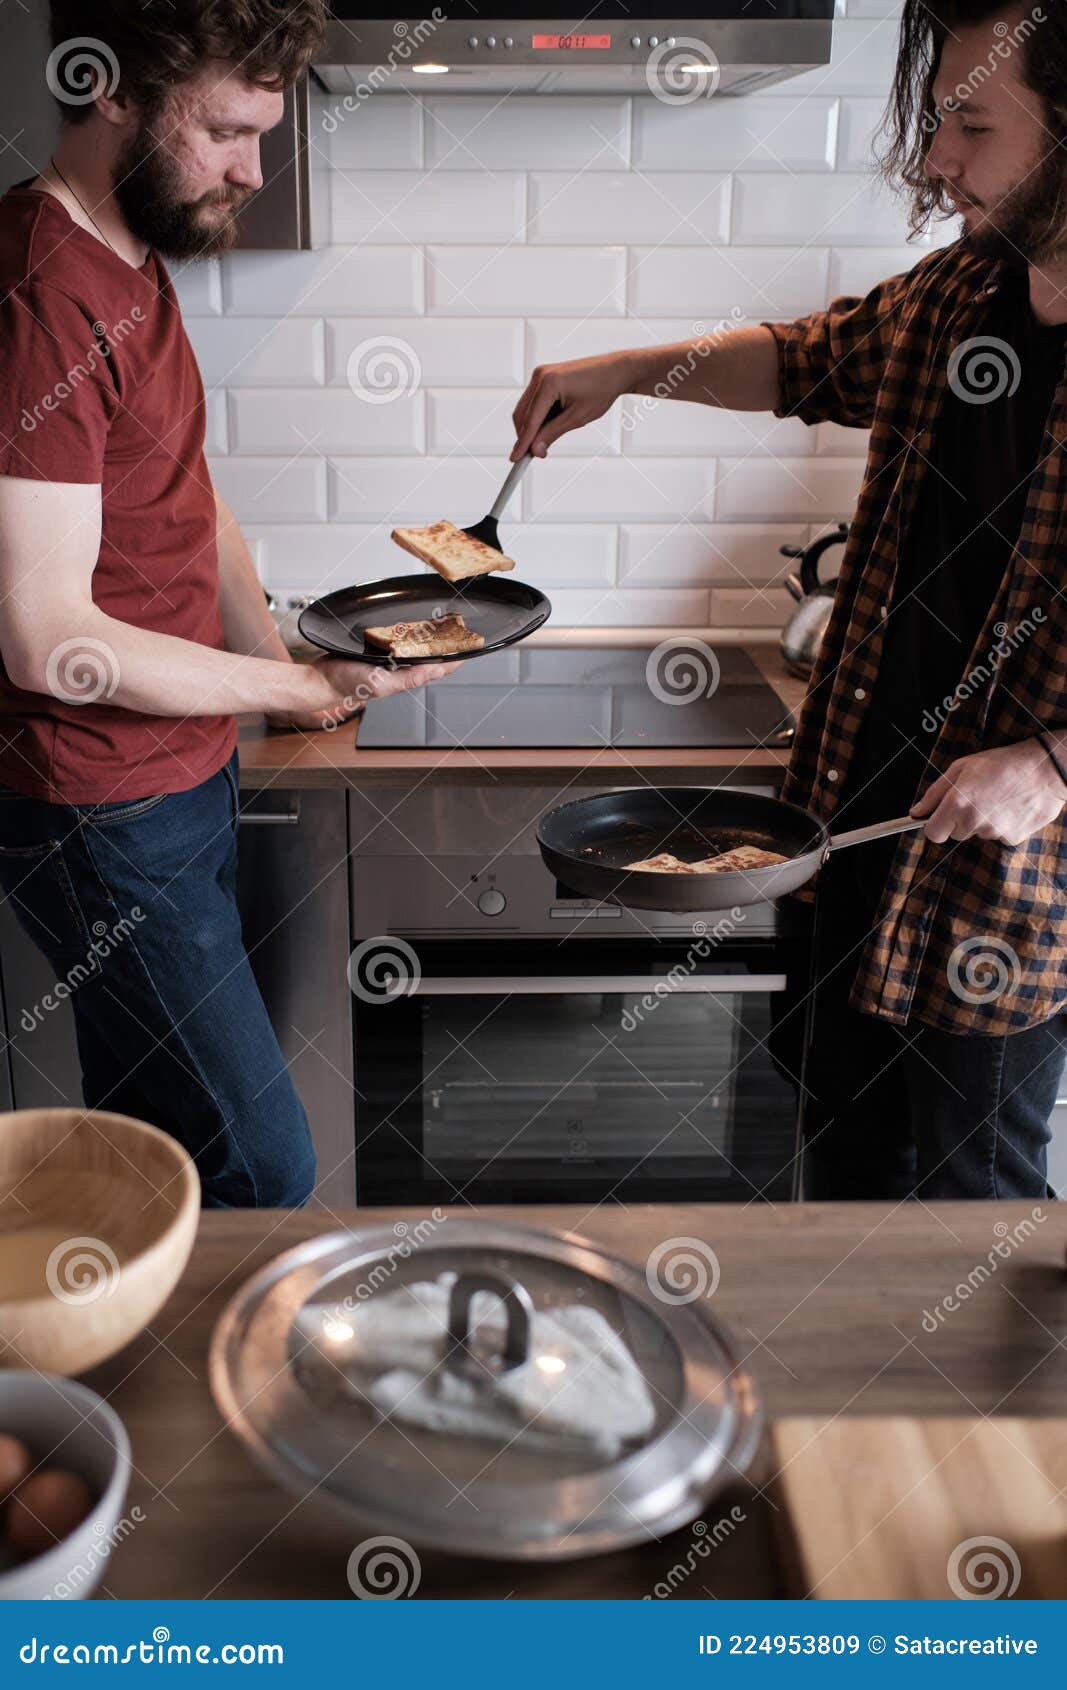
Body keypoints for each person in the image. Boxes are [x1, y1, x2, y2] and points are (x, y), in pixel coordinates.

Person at [509, 1, 1067, 1200]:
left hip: (992, 901)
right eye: (935, 122)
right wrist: (620, 373)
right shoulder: (957, 295)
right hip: (845, 838)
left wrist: (1050, 766)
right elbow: (805, 358)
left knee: (965, 1211)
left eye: (969, 126)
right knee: (841, 1176)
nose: (934, 161)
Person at [0, 1, 455, 1207]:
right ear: (112, 93)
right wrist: (295, 685)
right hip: (97, 798)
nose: (256, 168)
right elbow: (48, 640)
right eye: (226, 131)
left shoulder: (129, 252)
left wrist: (284, 674)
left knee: (162, 1147)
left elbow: (191, 499)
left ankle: (140, 1383)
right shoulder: (41, 302)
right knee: (262, 1160)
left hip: (179, 772)